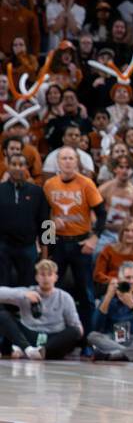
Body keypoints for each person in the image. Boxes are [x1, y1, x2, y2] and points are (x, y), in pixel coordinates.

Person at [43, 146, 105, 327]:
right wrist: (51, 225)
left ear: (77, 162)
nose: (68, 161)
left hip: (81, 243)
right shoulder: (49, 185)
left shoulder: (86, 184)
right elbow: (43, 216)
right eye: (64, 158)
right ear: (58, 162)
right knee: (51, 290)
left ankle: (87, 339)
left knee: (86, 293)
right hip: (58, 243)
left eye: (71, 158)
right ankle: (51, 331)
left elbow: (102, 214)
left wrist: (94, 239)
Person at [0, 259, 82, 359]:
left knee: (74, 331)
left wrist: (77, 331)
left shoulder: (65, 297)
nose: (46, 278)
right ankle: (28, 349)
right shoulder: (28, 292)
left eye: (49, 274)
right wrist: (23, 294)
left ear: (55, 277)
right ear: (37, 277)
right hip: (30, 336)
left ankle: (40, 352)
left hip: (53, 337)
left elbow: (76, 326)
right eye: (42, 274)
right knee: (3, 316)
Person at [87, 260, 133, 361]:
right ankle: (131, 355)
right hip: (113, 339)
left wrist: (132, 304)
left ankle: (116, 355)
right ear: (119, 280)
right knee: (93, 336)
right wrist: (108, 296)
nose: (131, 281)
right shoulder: (109, 299)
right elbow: (96, 326)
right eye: (128, 278)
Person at [0, 149, 48, 286]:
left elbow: (46, 223)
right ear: (8, 166)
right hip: (3, 246)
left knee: (28, 285)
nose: (17, 167)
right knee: (3, 285)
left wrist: (45, 255)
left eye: (21, 164)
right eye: (13, 164)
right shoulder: (0, 190)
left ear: (26, 167)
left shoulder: (37, 192)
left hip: (28, 246)